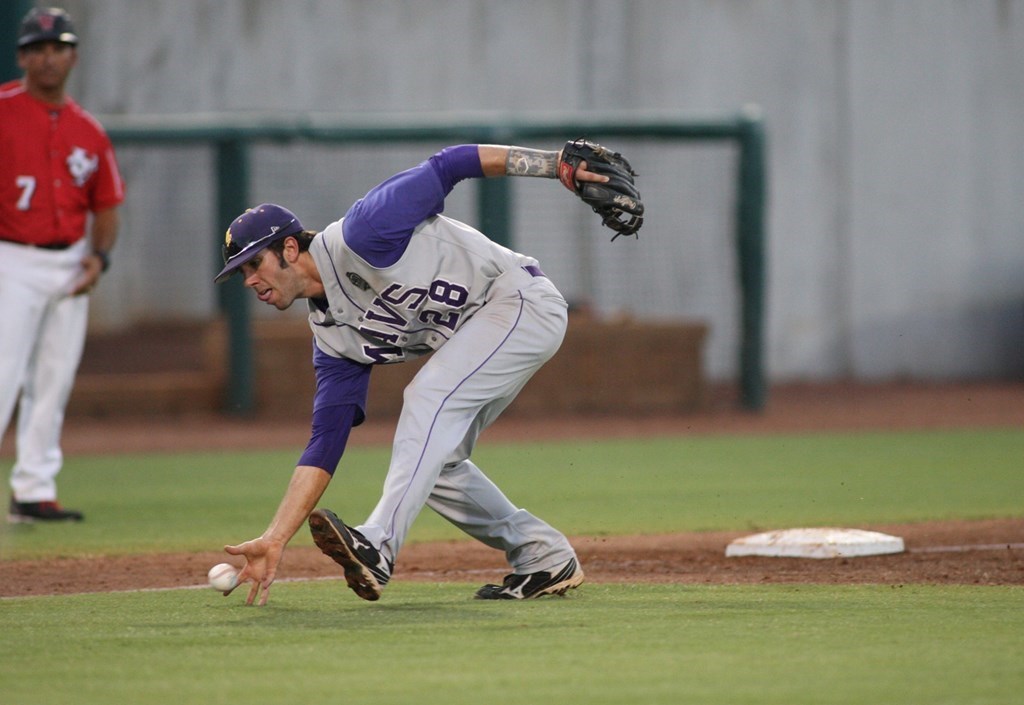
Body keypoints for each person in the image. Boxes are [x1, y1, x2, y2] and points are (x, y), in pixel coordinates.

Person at [216, 142, 631, 604]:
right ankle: (543, 556)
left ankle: (378, 544)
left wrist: (554, 166)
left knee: (426, 400)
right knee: (437, 462)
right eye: (241, 272)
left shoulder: (363, 232)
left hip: (519, 300)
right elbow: (324, 443)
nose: (249, 280)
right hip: (487, 329)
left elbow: (451, 163)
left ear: (290, 248)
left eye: (254, 263)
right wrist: (275, 537)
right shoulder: (333, 337)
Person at [1, 7, 125, 523]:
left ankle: (33, 490)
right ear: (22, 57)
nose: (48, 58)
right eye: (38, 49)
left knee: (53, 379)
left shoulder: (87, 130)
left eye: (58, 48)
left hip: (70, 261)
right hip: (11, 257)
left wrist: (99, 257)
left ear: (72, 57)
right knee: (2, 374)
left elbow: (107, 204)